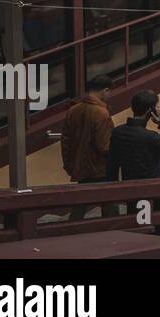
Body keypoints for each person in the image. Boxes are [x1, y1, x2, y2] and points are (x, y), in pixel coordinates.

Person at [108, 90, 160, 234]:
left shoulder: (118, 132)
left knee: (136, 224)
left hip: (130, 185)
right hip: (154, 188)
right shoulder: (150, 137)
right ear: (150, 111)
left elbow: (112, 162)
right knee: (159, 226)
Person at [62, 74, 118, 220]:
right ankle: (113, 231)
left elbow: (65, 140)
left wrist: (68, 163)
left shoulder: (73, 110)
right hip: (100, 167)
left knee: (80, 203)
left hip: (81, 165)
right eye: (109, 92)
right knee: (110, 204)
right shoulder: (101, 113)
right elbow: (104, 145)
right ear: (105, 90)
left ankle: (71, 230)